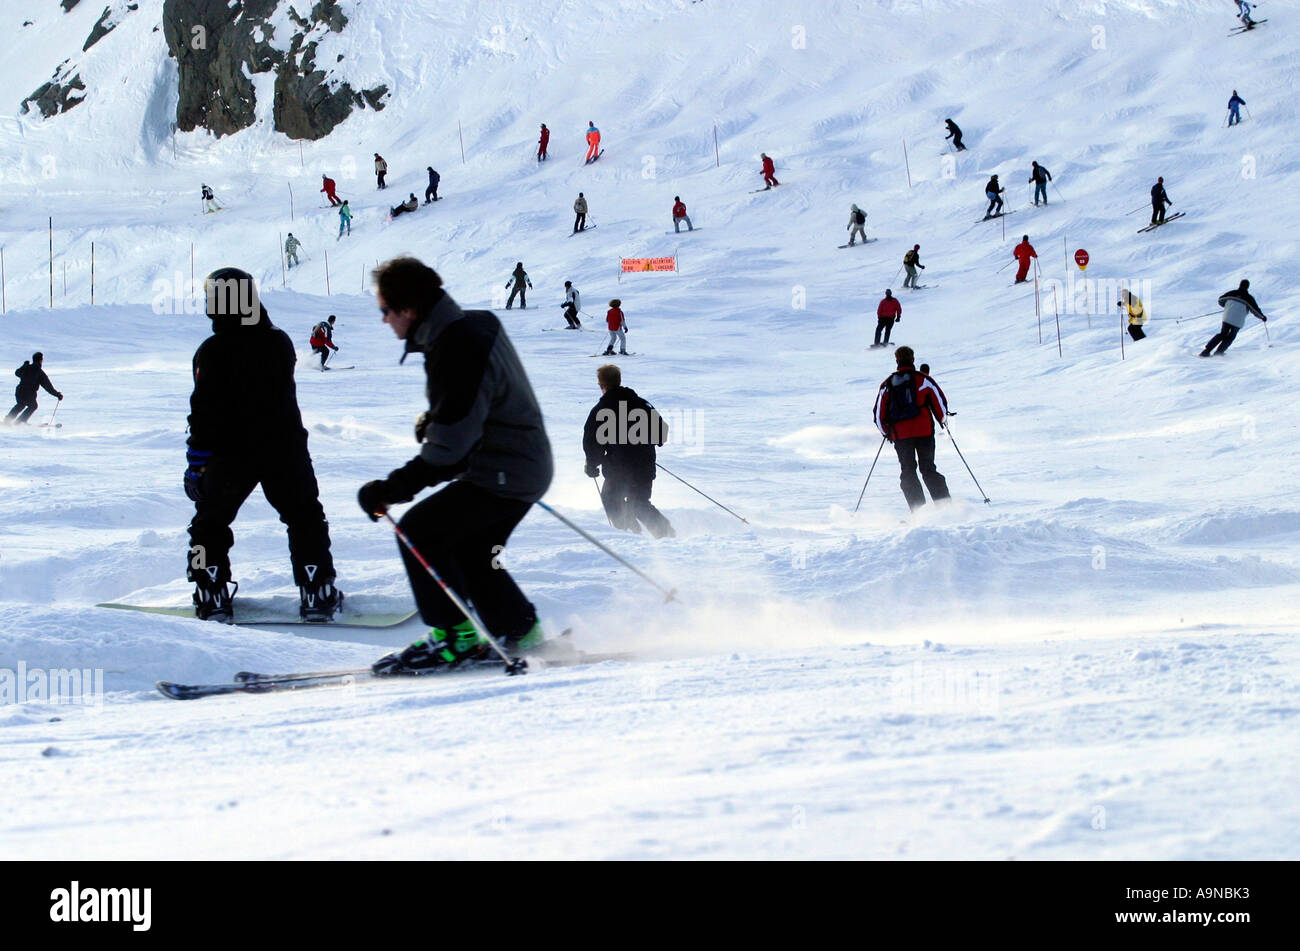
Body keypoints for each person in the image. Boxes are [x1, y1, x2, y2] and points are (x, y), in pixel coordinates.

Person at [359, 256, 554, 673]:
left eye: (384, 311)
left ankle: (455, 638)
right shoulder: (471, 325)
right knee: (473, 548)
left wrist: (389, 490)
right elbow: (481, 400)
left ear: (408, 310)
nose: (384, 321)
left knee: (421, 530)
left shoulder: (455, 346)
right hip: (521, 464)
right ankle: (522, 632)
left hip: (503, 471)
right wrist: (440, 420)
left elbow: (449, 455)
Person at [185, 267, 341, 622]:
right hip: (284, 448)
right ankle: (317, 590)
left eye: (211, 298)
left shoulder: (211, 351)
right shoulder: (279, 342)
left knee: (208, 524)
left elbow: (202, 413)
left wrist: (196, 464)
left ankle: (210, 591)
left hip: (231, 454)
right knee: (305, 517)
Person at [583, 364, 674, 538]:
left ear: (601, 384)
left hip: (617, 469)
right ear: (619, 380)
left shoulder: (601, 410)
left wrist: (592, 464)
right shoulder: (642, 404)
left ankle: (630, 535)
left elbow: (591, 440)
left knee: (611, 500)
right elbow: (661, 432)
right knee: (639, 503)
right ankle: (667, 534)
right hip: (644, 466)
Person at [874, 345, 951, 512]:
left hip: (900, 436)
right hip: (924, 432)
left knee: (908, 471)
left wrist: (888, 433)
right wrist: (943, 423)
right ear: (913, 359)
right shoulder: (923, 379)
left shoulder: (887, 384)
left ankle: (919, 512)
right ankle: (945, 508)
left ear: (897, 361)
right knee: (928, 468)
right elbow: (940, 405)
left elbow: (878, 414)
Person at [1200, 279, 1267, 356]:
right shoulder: (1249, 298)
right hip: (1238, 321)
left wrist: (1227, 306)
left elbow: (1220, 300)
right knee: (1231, 336)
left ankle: (1206, 351)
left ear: (1240, 285)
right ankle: (1219, 353)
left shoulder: (1232, 293)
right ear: (1247, 287)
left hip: (1227, 317)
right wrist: (1262, 317)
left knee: (1223, 333)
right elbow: (1255, 310)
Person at [6, 352, 62, 424]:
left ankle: (7, 420)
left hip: (20, 391)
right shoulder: (40, 372)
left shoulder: (27, 367)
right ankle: (20, 422)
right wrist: (57, 394)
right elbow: (48, 386)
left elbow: (17, 373)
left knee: (21, 404)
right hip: (29, 393)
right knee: (33, 406)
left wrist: (24, 365)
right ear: (40, 360)